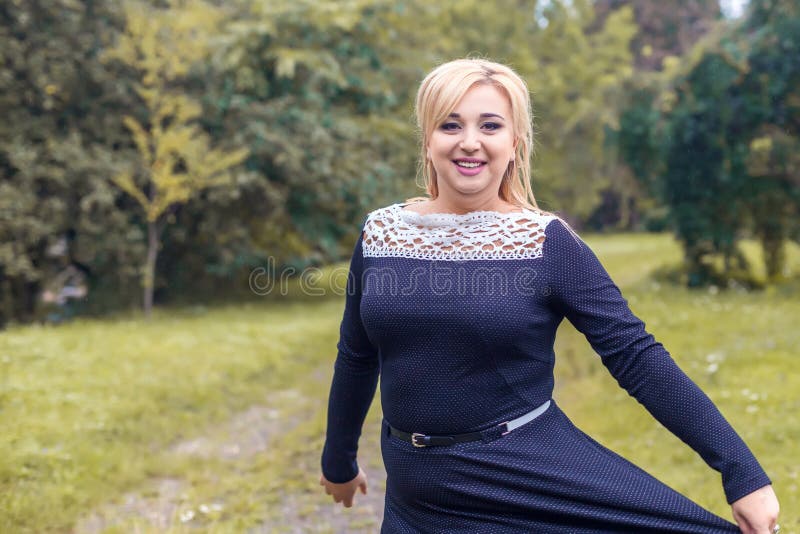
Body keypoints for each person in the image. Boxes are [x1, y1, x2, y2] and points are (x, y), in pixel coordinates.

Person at [319, 58, 780, 533]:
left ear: (514, 143)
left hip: (527, 479)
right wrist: (338, 459)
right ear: (428, 139)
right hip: (415, 498)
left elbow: (635, 356)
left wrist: (742, 473)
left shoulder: (546, 242)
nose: (470, 141)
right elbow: (356, 355)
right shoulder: (383, 233)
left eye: (490, 125)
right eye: (450, 124)